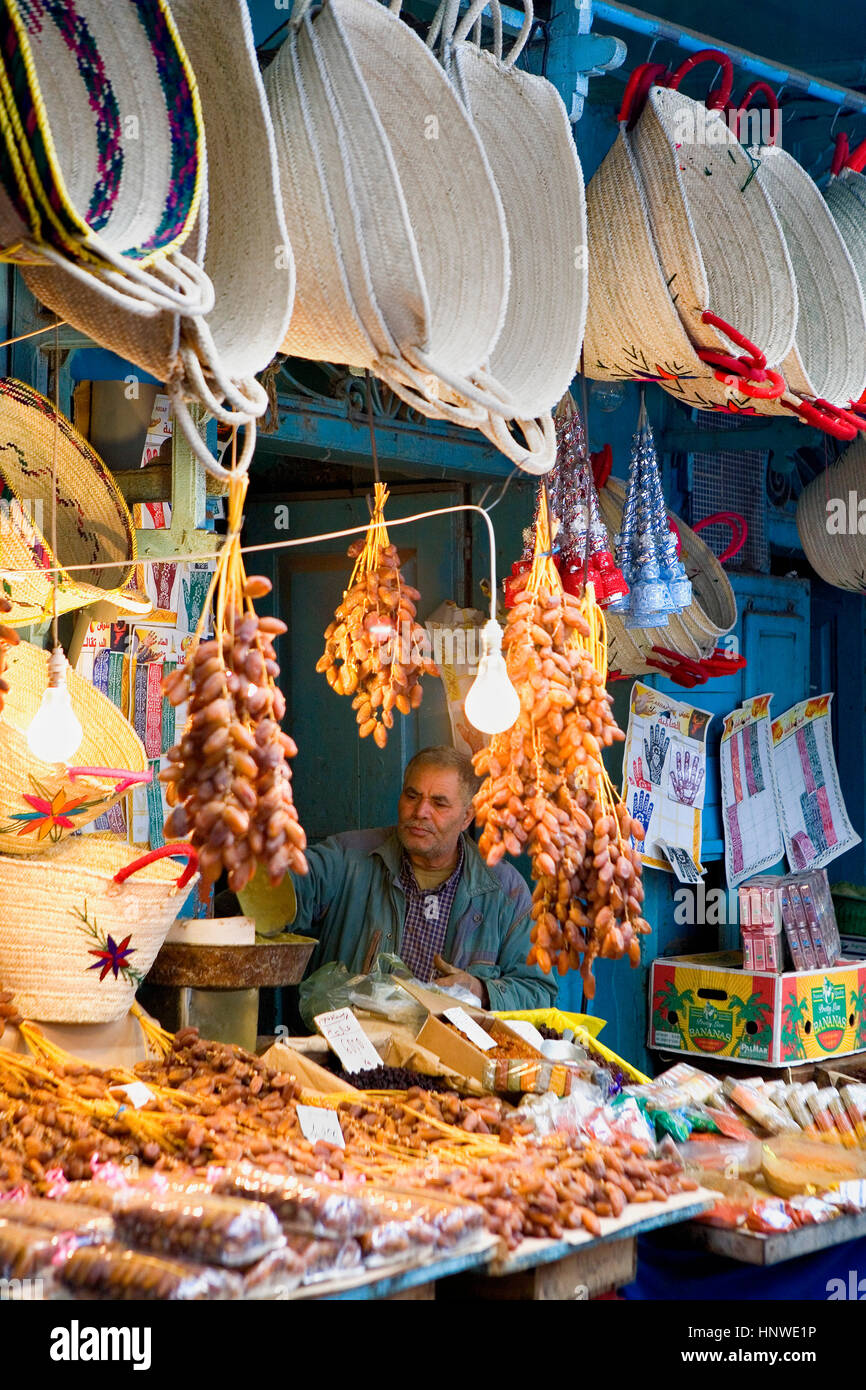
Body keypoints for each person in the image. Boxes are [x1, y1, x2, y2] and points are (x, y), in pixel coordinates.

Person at [275, 746, 556, 1011]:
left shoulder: (504, 891)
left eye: (439, 803)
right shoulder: (348, 858)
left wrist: (480, 991)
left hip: (453, 1058)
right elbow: (277, 892)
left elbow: (538, 991)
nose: (420, 812)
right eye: (412, 796)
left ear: (467, 816)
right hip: (350, 1050)